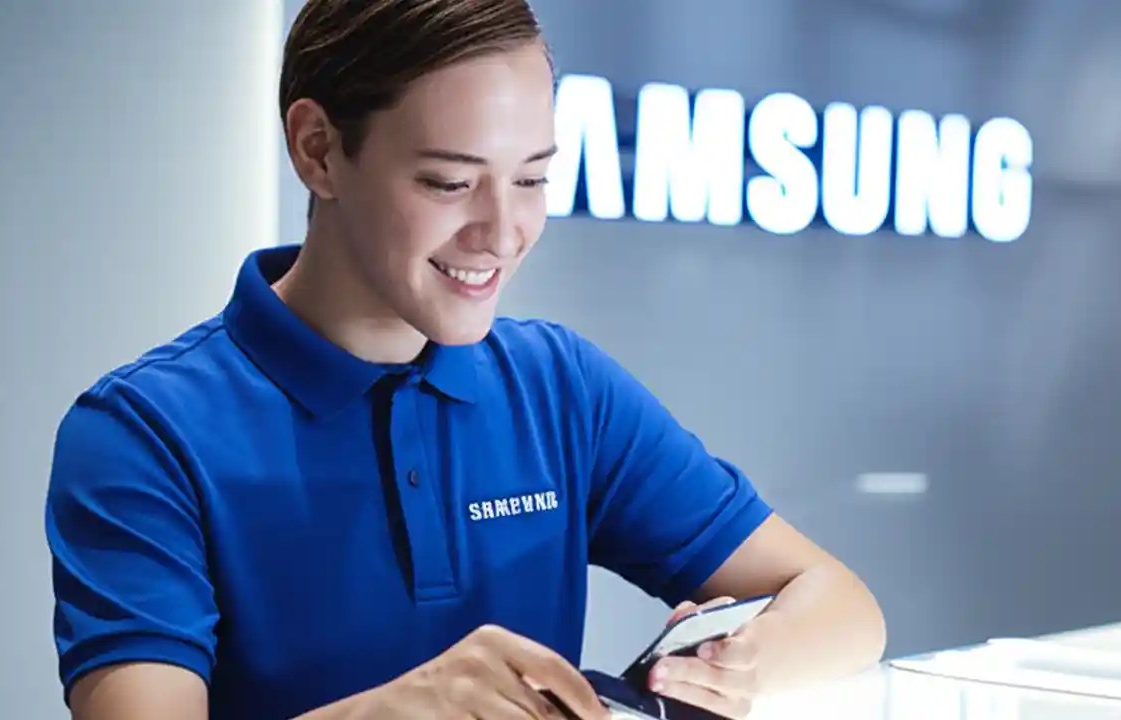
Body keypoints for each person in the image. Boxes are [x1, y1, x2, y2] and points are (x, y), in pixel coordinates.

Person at [43, 1, 886, 718]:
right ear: (318, 149)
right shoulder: (141, 435)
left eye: (531, 181)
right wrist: (400, 709)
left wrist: (707, 676)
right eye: (450, 183)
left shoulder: (561, 389)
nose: (502, 233)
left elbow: (846, 609)